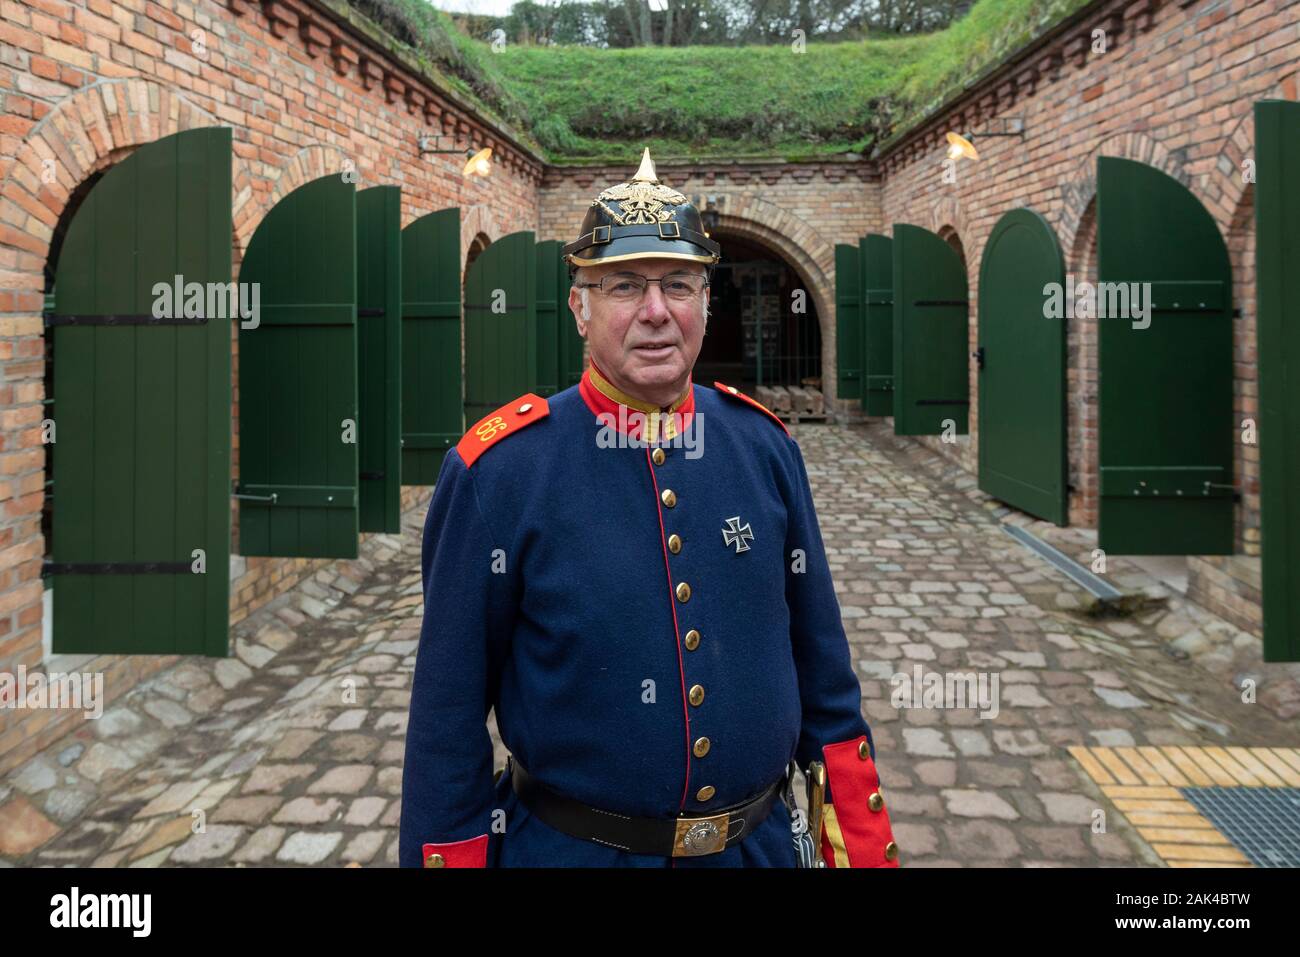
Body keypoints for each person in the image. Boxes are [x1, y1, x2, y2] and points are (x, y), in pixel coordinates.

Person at [399, 149, 898, 868]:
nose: (657, 311)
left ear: (705, 302)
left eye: (679, 285)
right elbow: (446, 723)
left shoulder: (765, 448)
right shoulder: (498, 473)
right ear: (580, 307)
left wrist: (866, 850)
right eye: (624, 286)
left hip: (756, 852)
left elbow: (826, 679)